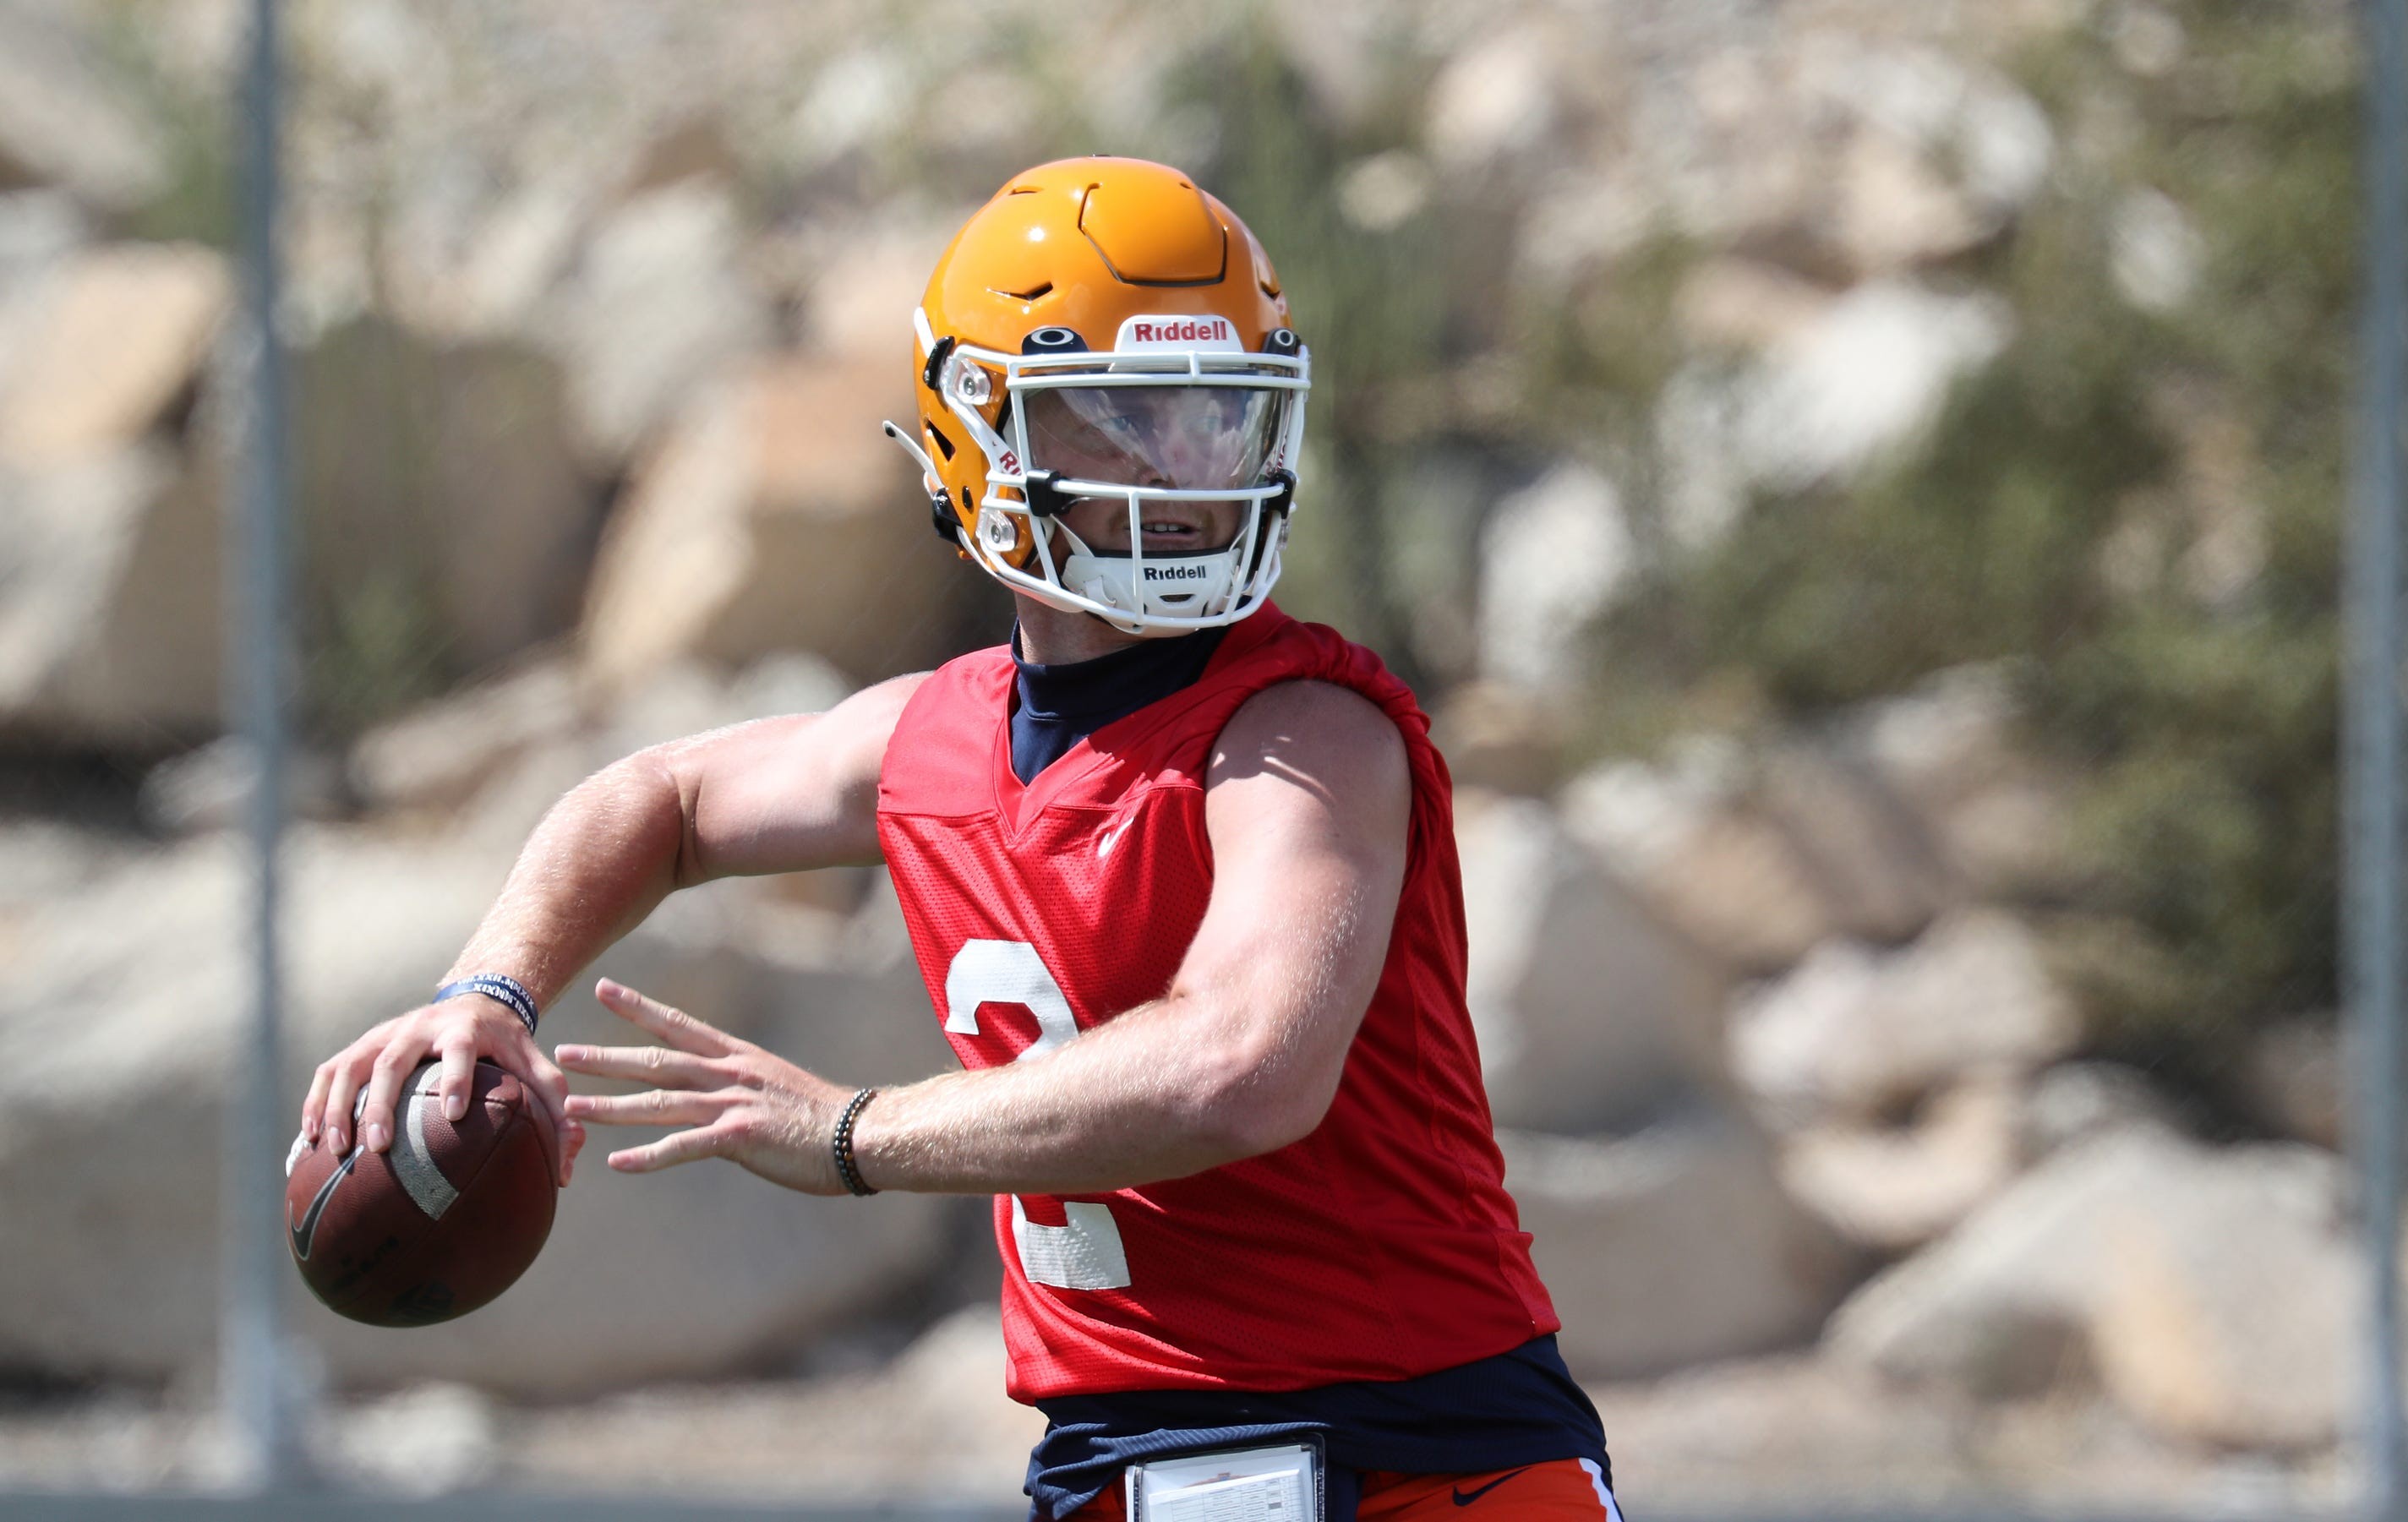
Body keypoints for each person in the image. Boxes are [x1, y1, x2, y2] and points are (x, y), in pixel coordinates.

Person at [299, 156, 1618, 1521]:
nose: (1182, 473)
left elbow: (1244, 1067)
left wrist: (851, 1131)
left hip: (1422, 1448)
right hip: (1114, 1458)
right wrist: (490, 989)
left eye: (1215, 417)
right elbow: (661, 798)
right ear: (977, 435)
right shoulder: (931, 739)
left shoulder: (1304, 734)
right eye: (1123, 418)